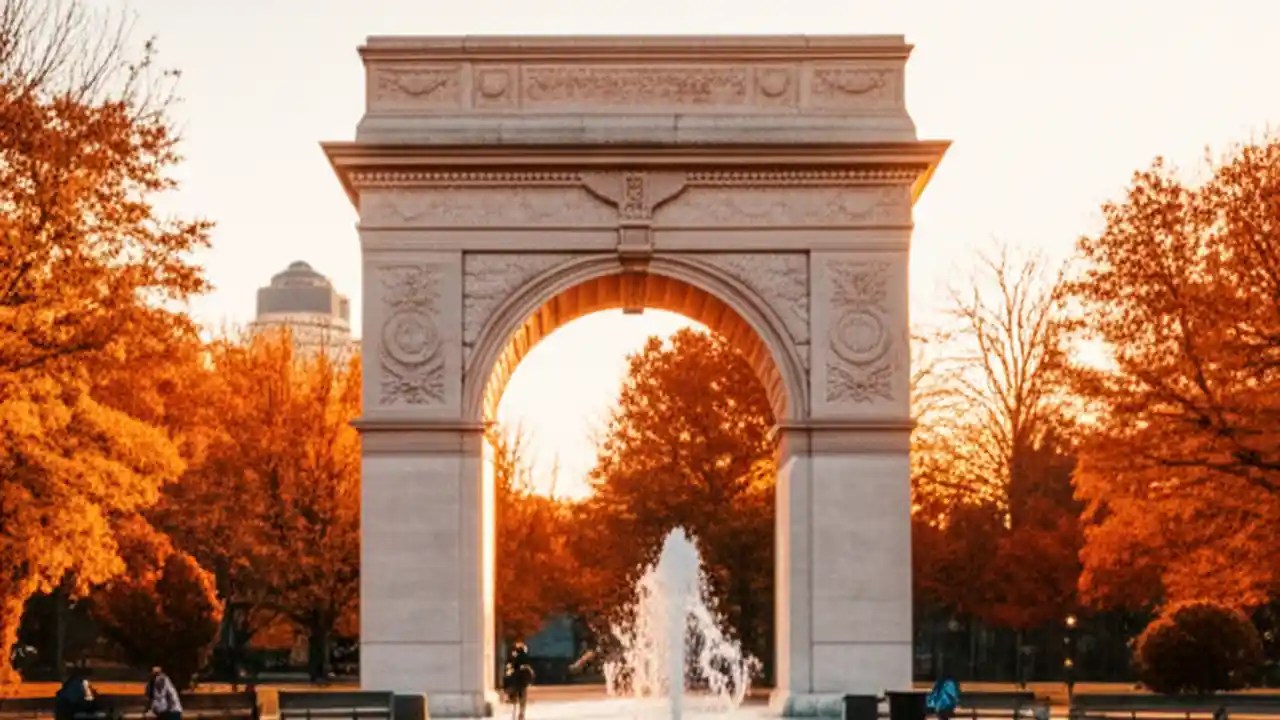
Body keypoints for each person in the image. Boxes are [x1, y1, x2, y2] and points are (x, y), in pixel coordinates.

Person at [501, 642, 535, 720]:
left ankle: (515, 711)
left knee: (515, 696)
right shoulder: (526, 658)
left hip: (516, 681)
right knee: (522, 698)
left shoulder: (514, 658)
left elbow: (511, 668)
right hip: (523, 682)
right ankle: (521, 714)